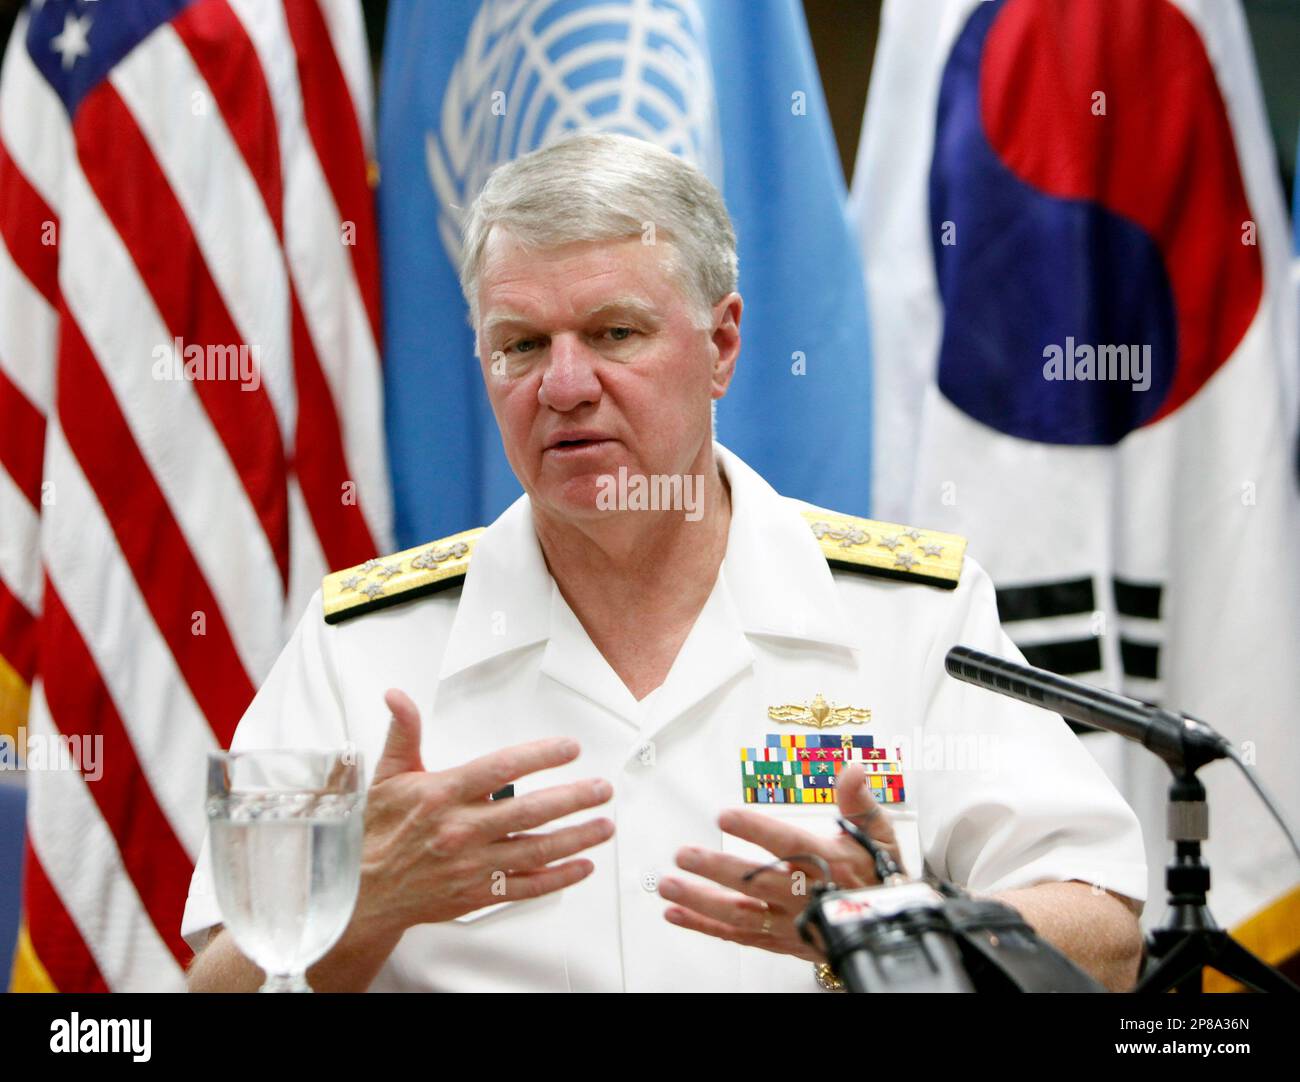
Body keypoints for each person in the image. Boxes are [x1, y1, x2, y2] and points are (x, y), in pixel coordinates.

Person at [183, 132, 1146, 993]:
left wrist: (910, 931)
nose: (564, 386)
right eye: (520, 345)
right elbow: (214, 985)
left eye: (614, 333)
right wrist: (360, 901)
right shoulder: (364, 643)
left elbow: (1105, 934)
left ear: (721, 345)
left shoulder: (908, 613)